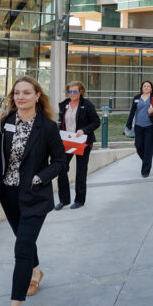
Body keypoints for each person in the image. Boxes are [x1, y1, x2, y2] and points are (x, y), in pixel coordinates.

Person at [0, 76, 67, 306]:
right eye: (17, 93)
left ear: (37, 96)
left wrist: (40, 177)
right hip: (10, 197)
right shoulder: (2, 124)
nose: (20, 97)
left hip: (35, 196)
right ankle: (36, 272)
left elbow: (60, 162)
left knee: (21, 248)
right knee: (25, 240)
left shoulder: (48, 127)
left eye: (26, 93)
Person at [55, 81, 100, 210]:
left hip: (82, 142)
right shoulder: (64, 105)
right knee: (61, 168)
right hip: (67, 141)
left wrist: (84, 130)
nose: (72, 94)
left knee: (81, 171)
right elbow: (62, 122)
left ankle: (79, 200)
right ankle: (64, 200)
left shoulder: (87, 105)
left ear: (80, 92)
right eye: (70, 91)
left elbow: (96, 122)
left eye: (75, 91)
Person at [125, 80, 153, 178]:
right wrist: (128, 125)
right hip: (138, 127)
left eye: (148, 86)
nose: (146, 87)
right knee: (139, 147)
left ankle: (145, 171)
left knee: (148, 149)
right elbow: (132, 112)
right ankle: (147, 161)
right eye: (144, 86)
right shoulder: (136, 98)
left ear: (151, 89)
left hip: (150, 127)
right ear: (142, 88)